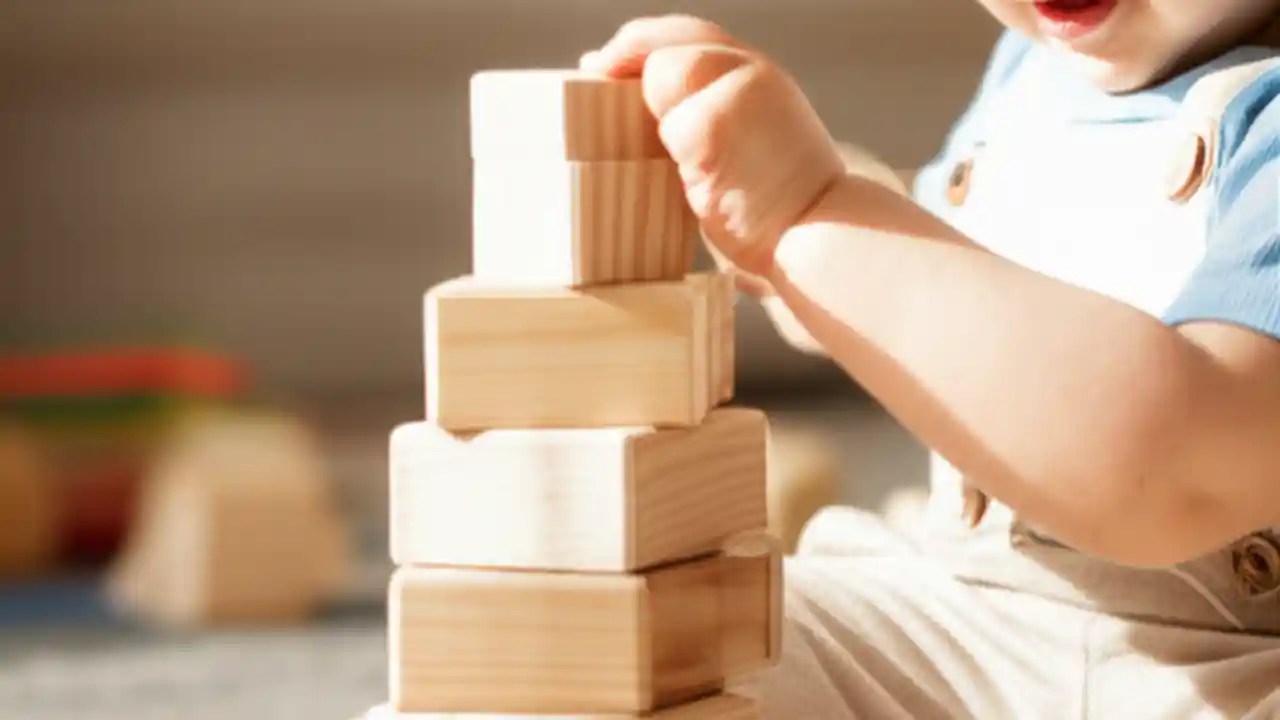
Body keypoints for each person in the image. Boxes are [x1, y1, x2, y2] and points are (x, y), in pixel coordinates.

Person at [581, 2, 1280, 717]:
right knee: (648, 652)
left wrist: (807, 216)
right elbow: (936, 299)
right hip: (957, 613)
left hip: (1226, 669)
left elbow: (1168, 471)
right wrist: (766, 213)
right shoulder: (1033, 71)